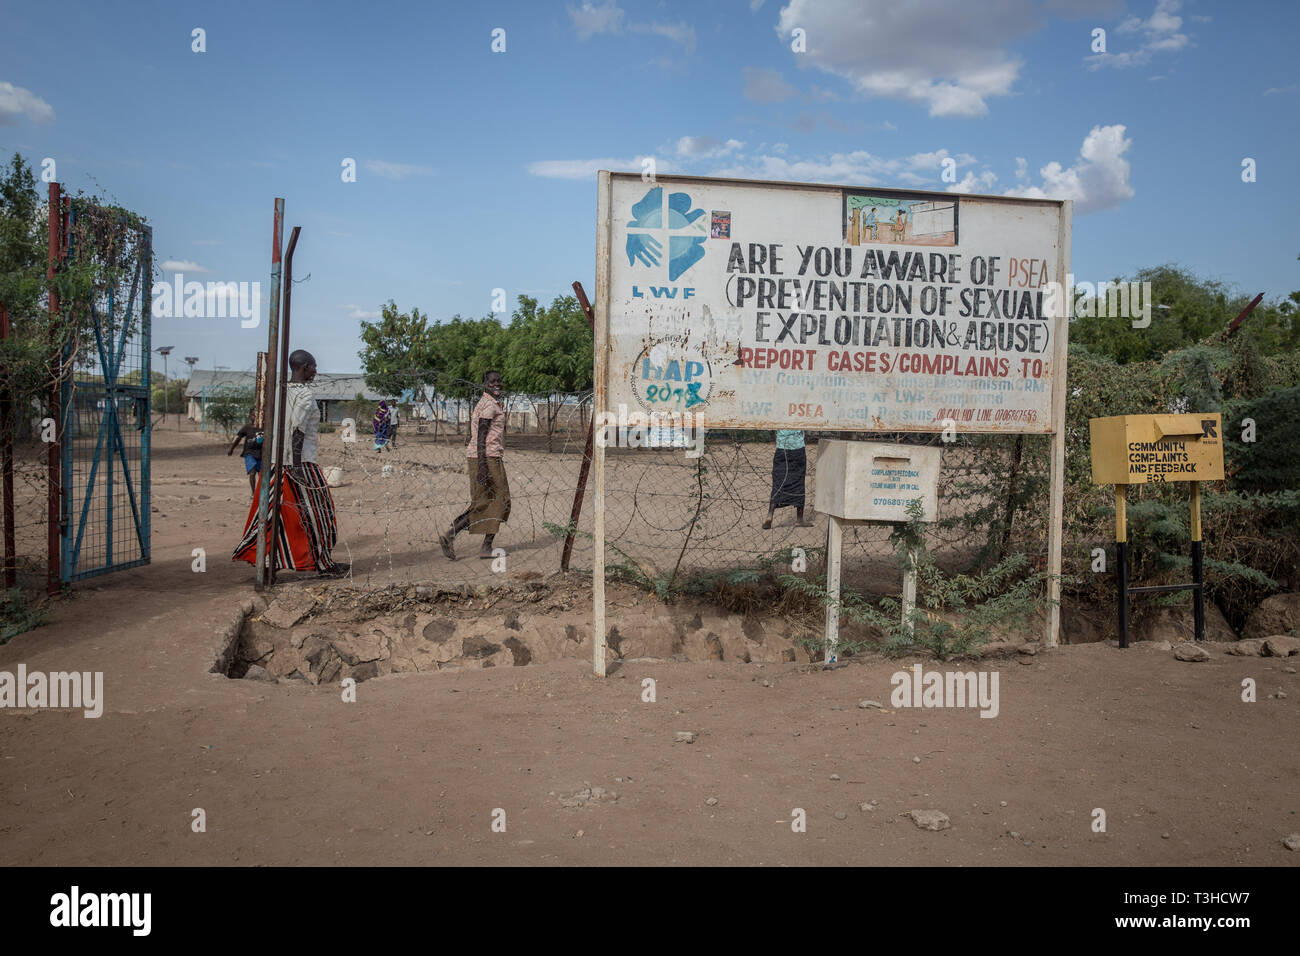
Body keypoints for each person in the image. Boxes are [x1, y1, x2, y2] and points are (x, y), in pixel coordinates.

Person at [233, 349, 347, 577]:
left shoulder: (278, 391)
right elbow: (298, 430)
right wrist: (296, 467)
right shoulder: (304, 395)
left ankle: (266, 565)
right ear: (303, 367)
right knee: (319, 515)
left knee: (272, 516)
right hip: (300, 462)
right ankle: (322, 564)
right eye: (313, 366)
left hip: (276, 463)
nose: (316, 370)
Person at [439, 370, 510, 561]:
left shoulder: (491, 403)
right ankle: (453, 535)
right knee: (494, 500)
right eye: (492, 381)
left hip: (488, 456)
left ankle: (484, 545)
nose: (497, 384)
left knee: (494, 500)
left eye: (499, 380)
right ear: (485, 383)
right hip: (485, 457)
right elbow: (481, 437)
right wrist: (483, 467)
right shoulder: (488, 405)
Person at [764, 429, 812, 529]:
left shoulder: (780, 414)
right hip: (798, 448)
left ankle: (770, 516)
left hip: (782, 448)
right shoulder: (800, 414)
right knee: (799, 482)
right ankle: (799, 519)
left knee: (778, 482)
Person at [227, 410, 263, 494]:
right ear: (250, 416)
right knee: (252, 472)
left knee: (261, 474)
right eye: (253, 416)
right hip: (249, 453)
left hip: (261, 454)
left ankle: (260, 493)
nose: (255, 418)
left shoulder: (264, 427)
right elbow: (239, 438)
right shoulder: (247, 427)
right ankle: (253, 493)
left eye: (258, 416)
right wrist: (232, 449)